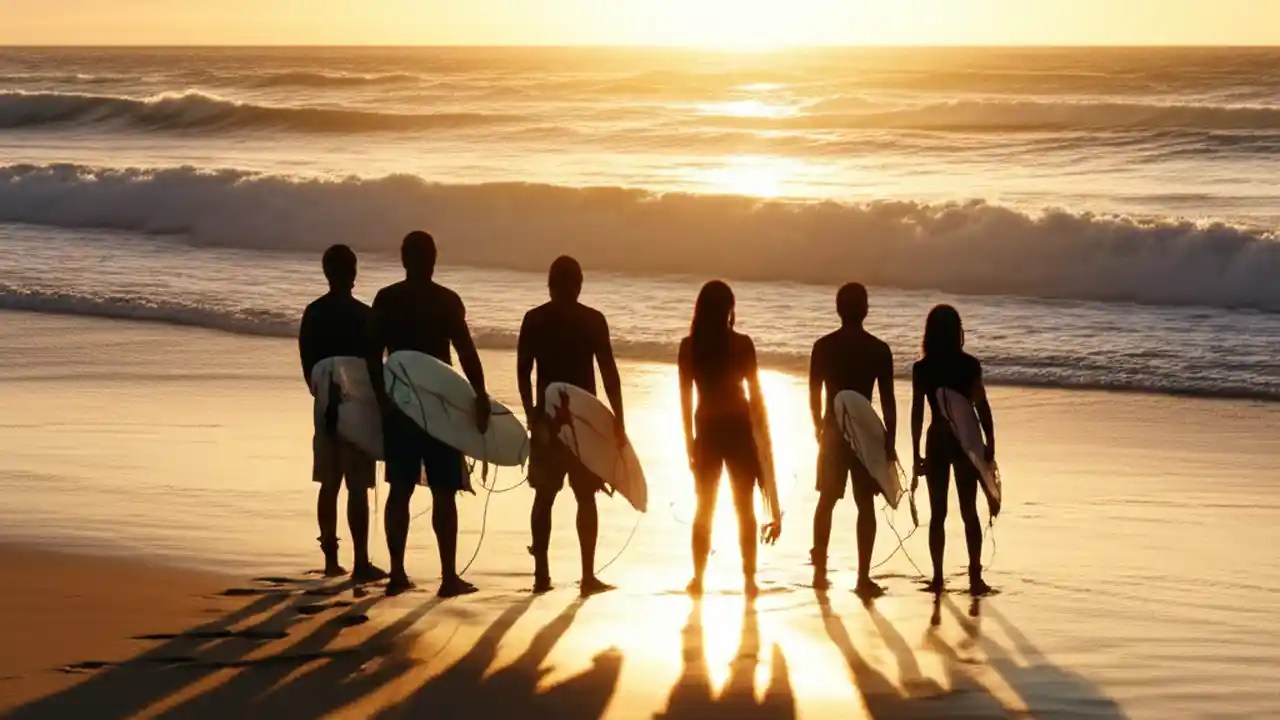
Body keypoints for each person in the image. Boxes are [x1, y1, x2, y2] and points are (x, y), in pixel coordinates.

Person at [368, 230, 490, 598]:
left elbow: (371, 355)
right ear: (433, 259)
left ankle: (397, 574)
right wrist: (480, 395)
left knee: (401, 489)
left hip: (402, 404)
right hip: (440, 405)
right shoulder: (446, 301)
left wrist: (383, 400)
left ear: (403, 259)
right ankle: (448, 577)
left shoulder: (387, 299)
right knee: (443, 491)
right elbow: (466, 353)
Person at [517, 256, 624, 597]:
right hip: (582, 422)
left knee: (544, 497)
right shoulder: (592, 320)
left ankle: (541, 574)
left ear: (550, 285)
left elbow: (522, 371)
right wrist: (619, 420)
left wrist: (532, 413)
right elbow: (609, 373)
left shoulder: (534, 319)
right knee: (585, 498)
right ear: (579, 285)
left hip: (549, 421)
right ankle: (588, 576)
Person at [298, 244, 388, 583]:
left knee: (329, 483)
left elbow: (308, 367)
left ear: (326, 273)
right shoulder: (366, 315)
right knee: (357, 486)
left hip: (325, 403)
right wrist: (381, 406)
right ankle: (362, 561)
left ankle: (331, 560)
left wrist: (323, 392)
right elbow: (373, 367)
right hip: (358, 406)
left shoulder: (314, 312)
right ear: (354, 274)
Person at [678, 280, 770, 599]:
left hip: (707, 429)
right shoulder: (743, 345)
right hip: (739, 429)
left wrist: (689, 442)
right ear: (730, 309)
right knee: (744, 506)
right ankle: (749, 579)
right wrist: (762, 442)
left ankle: (699, 579)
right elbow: (756, 397)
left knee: (704, 507)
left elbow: (685, 399)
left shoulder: (689, 347)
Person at [808, 282, 896, 597]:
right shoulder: (878, 349)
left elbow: (814, 392)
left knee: (827, 500)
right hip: (864, 433)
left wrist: (818, 425)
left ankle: (819, 573)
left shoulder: (823, 346)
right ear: (866, 309)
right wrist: (890, 442)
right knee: (865, 504)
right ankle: (863, 577)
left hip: (833, 429)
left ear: (838, 308)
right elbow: (888, 401)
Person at [910, 304, 995, 596]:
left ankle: (936, 578)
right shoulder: (969, 365)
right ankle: (975, 577)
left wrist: (914, 455)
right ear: (958, 331)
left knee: (938, 514)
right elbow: (981, 406)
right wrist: (989, 445)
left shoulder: (922, 368)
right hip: (964, 443)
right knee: (969, 510)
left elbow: (917, 413)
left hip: (936, 441)